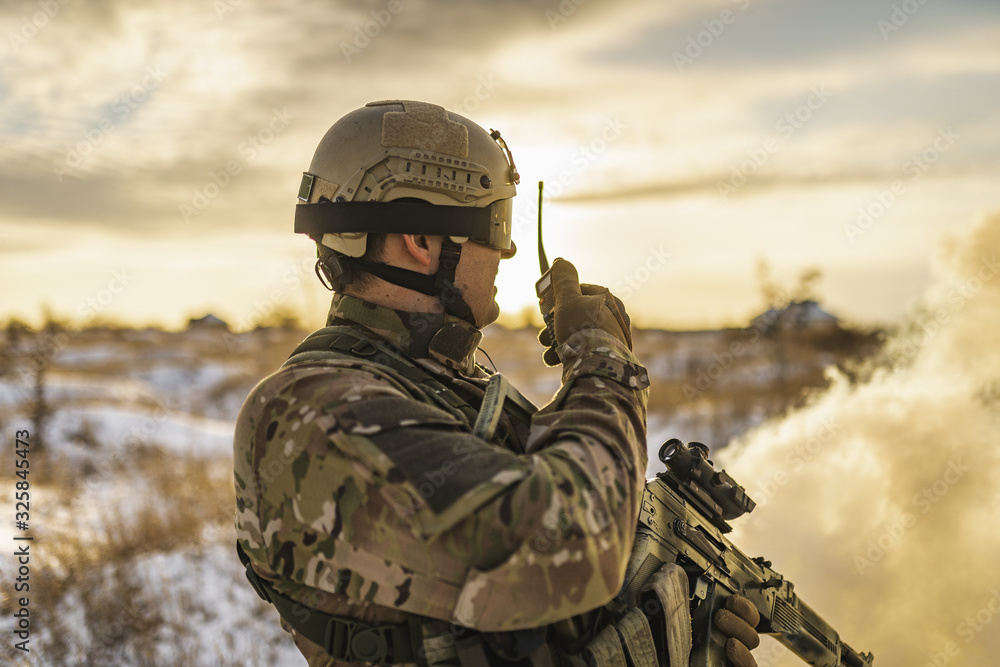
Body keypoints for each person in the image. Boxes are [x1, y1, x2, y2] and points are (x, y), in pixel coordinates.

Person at [233, 100, 759, 666]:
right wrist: (604, 362)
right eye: (496, 224)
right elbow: (576, 542)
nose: (507, 250)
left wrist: (675, 619)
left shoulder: (431, 379)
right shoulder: (311, 412)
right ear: (420, 236)